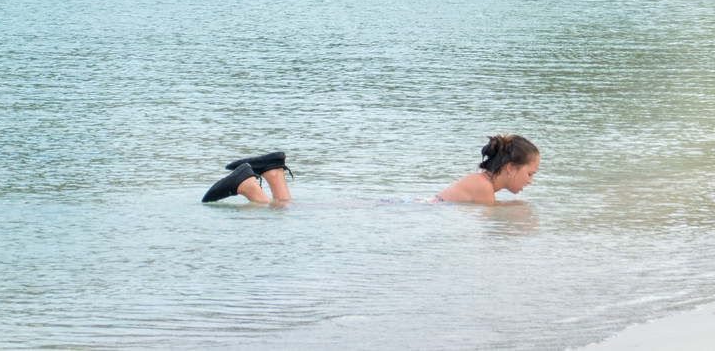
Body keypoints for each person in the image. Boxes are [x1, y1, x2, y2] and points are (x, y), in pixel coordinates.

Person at [200, 135, 540, 206]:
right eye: (530, 174)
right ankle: (248, 186)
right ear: (510, 168)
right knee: (295, 212)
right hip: (405, 210)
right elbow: (493, 223)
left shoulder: (482, 183)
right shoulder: (483, 189)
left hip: (406, 205)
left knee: (294, 212)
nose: (530, 182)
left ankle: (273, 172)